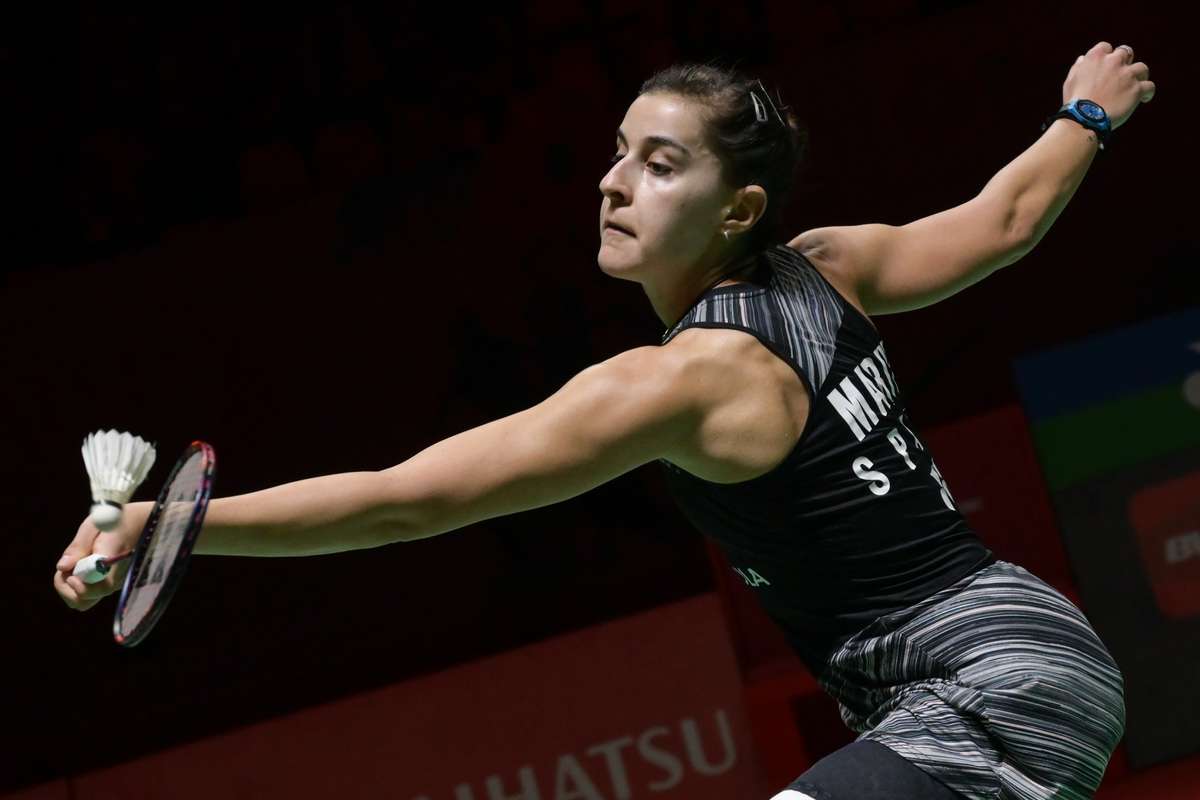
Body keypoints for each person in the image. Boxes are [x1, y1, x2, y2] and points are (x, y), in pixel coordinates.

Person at [56, 42, 1154, 800]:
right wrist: (1087, 113)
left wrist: (174, 523)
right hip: (1014, 653)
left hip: (987, 682)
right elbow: (1004, 217)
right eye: (622, 149)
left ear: (739, 209)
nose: (614, 181)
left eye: (660, 164)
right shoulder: (833, 266)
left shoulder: (678, 382)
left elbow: (405, 500)